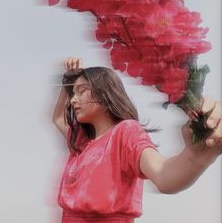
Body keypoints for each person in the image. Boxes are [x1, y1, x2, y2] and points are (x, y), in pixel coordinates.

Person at [52, 57, 222, 223]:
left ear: (104, 93)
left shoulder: (125, 132)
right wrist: (68, 78)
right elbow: (58, 118)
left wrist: (196, 158)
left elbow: (164, 174)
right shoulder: (81, 140)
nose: (73, 99)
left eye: (81, 91)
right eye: (72, 93)